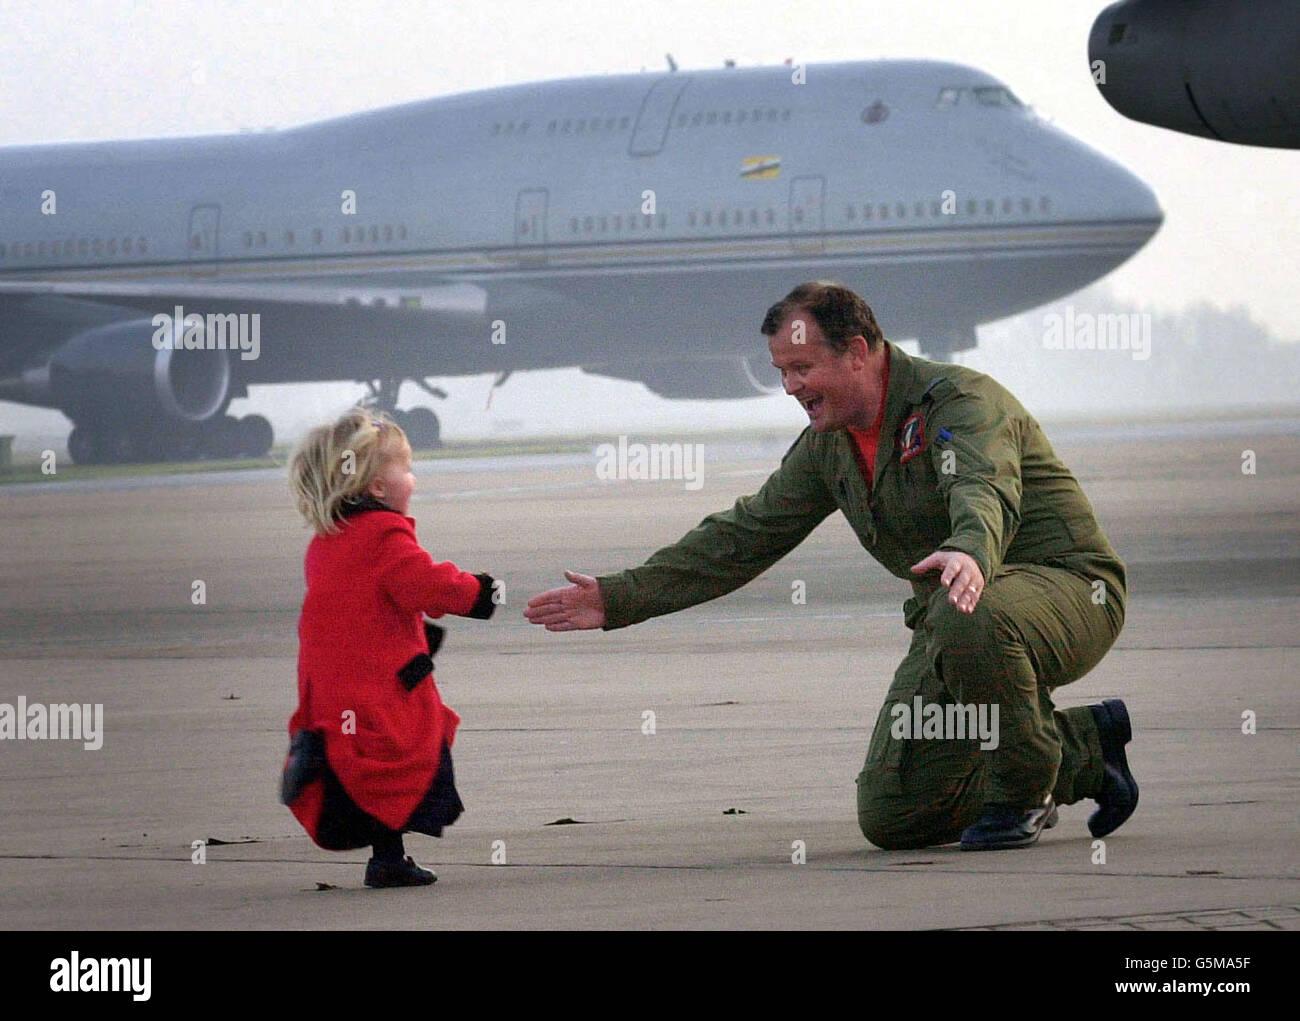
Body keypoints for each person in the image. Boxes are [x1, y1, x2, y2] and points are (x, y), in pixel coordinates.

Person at [525, 282, 1138, 851]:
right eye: (782, 373)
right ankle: (1087, 749)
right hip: (958, 618)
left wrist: (972, 549)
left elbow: (983, 485)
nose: (790, 387)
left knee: (965, 617)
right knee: (895, 815)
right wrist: (621, 596)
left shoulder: (960, 402)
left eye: (802, 367)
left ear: (856, 352)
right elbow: (744, 536)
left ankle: (1024, 791)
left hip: (1067, 593)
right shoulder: (830, 443)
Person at [282, 408, 496, 887]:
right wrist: (480, 592)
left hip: (338, 683)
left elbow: (363, 603)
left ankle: (387, 854)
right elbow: (424, 583)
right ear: (378, 487)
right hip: (379, 685)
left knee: (367, 761)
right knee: (405, 754)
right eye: (406, 468)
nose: (413, 479)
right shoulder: (384, 535)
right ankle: (387, 855)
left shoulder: (328, 538)